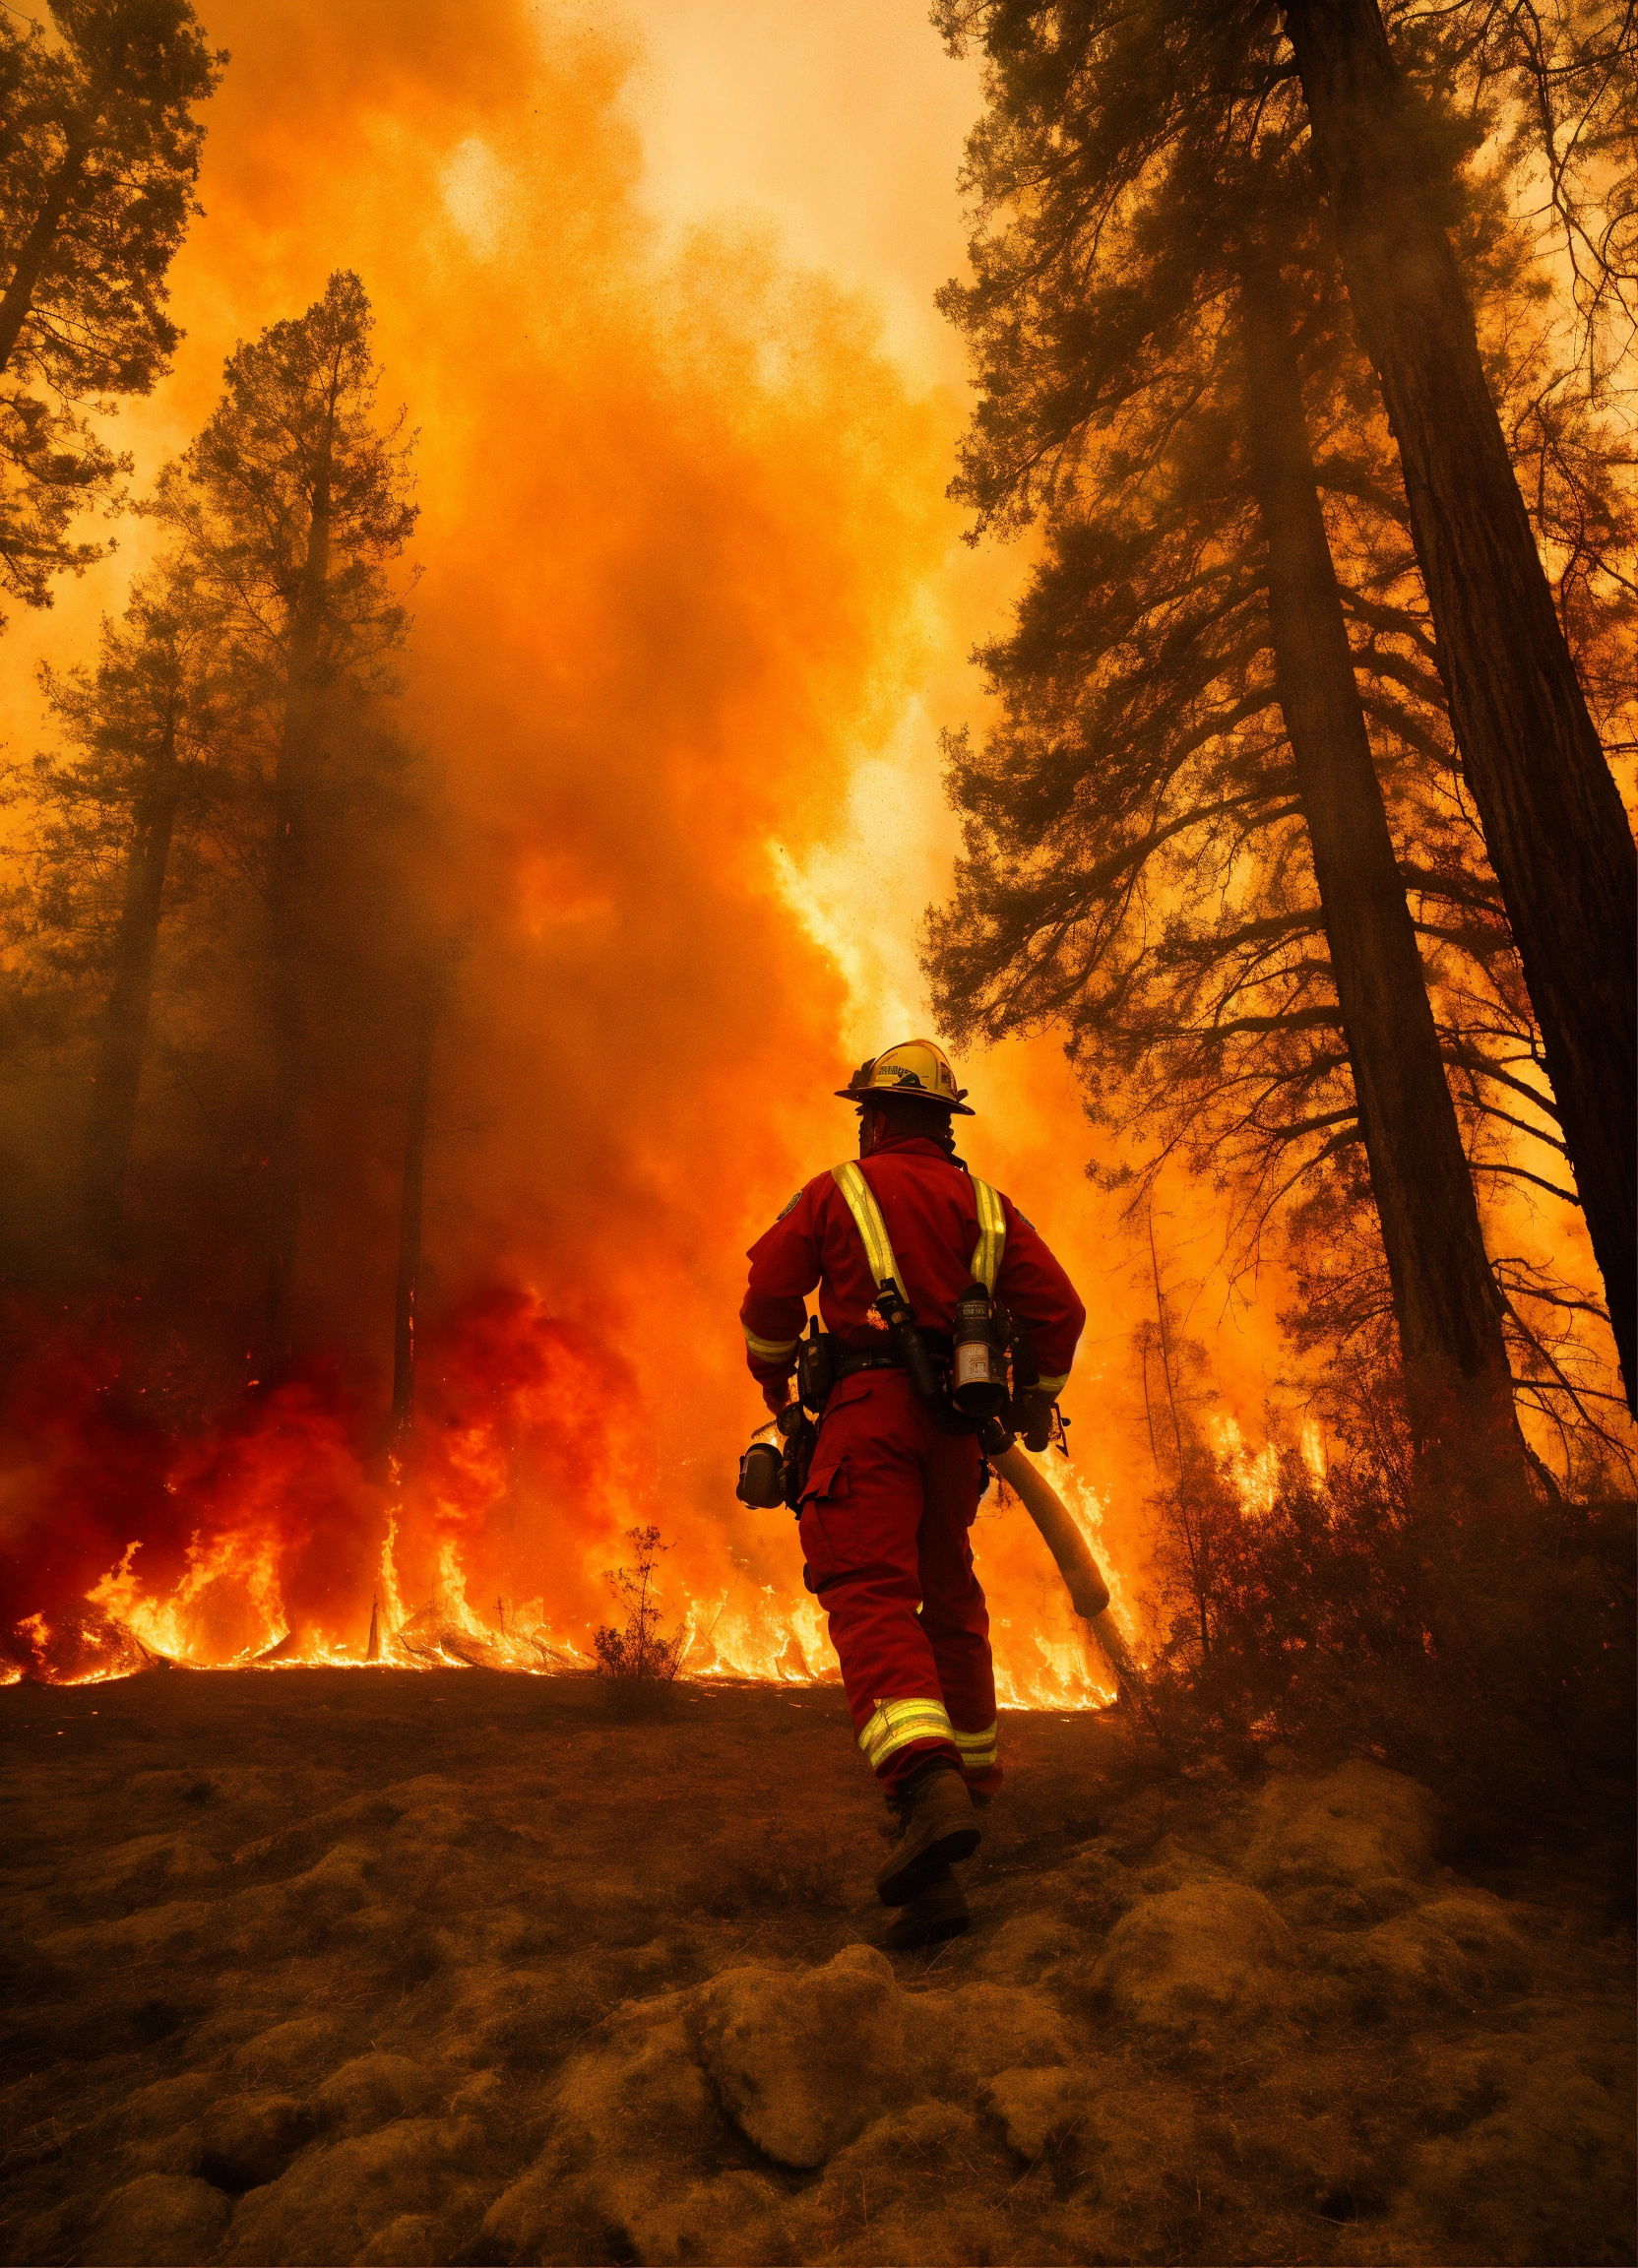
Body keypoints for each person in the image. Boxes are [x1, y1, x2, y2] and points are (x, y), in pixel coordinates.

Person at [739, 1039, 1086, 1948]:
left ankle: (925, 1786)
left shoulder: (839, 1191)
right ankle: (953, 1825)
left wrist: (773, 1381)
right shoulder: (989, 1208)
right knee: (950, 1601)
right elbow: (1062, 1312)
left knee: (867, 1591)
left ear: (880, 1118)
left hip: (871, 1415)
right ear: (944, 1124)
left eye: (866, 1114)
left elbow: (771, 1294)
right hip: (956, 1441)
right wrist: (1033, 1403)